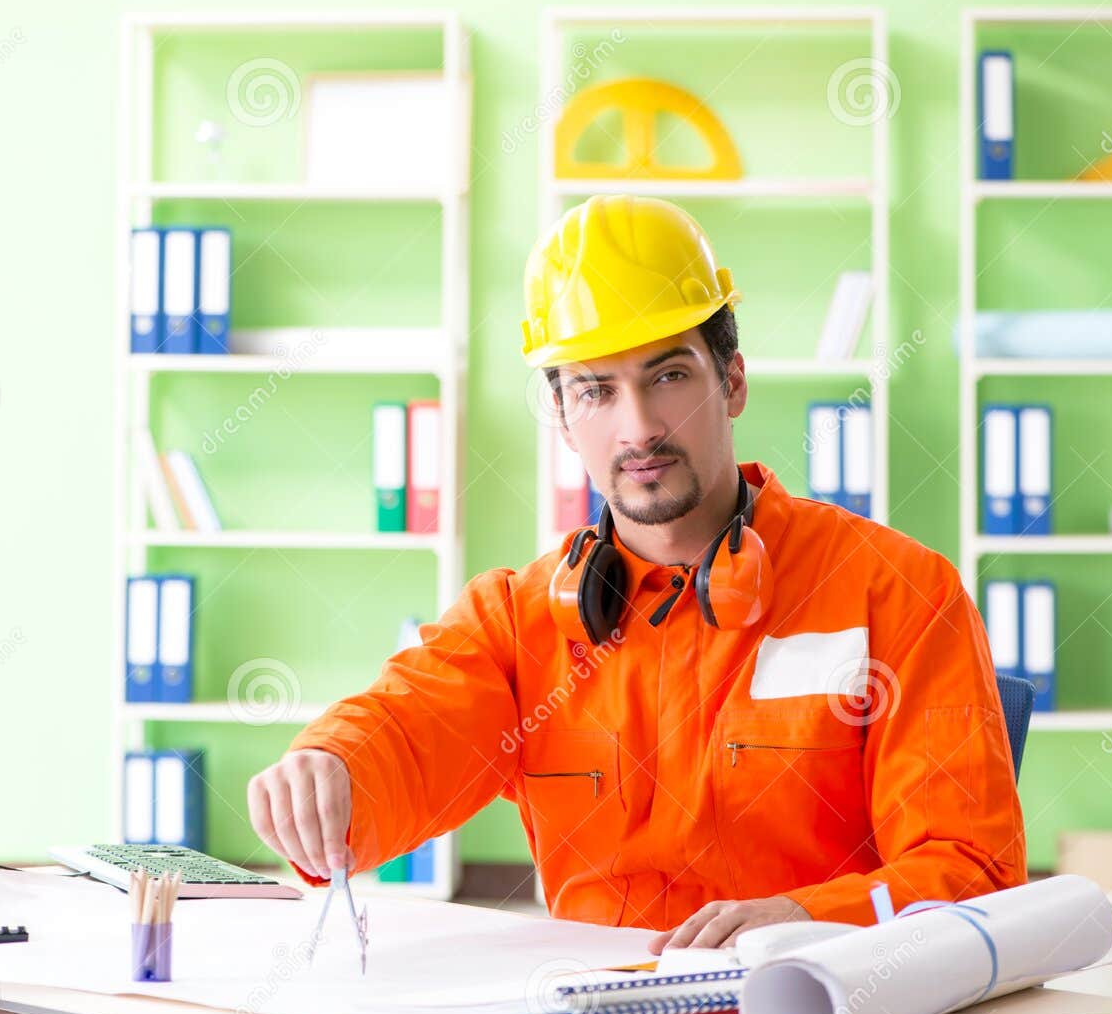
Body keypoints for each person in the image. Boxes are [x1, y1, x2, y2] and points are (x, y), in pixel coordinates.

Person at [248, 194, 1026, 952]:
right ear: (562, 414)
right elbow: (406, 734)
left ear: (734, 381)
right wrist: (327, 769)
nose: (640, 427)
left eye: (668, 376)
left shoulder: (896, 591)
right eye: (596, 389)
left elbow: (972, 872)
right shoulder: (520, 623)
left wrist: (807, 919)